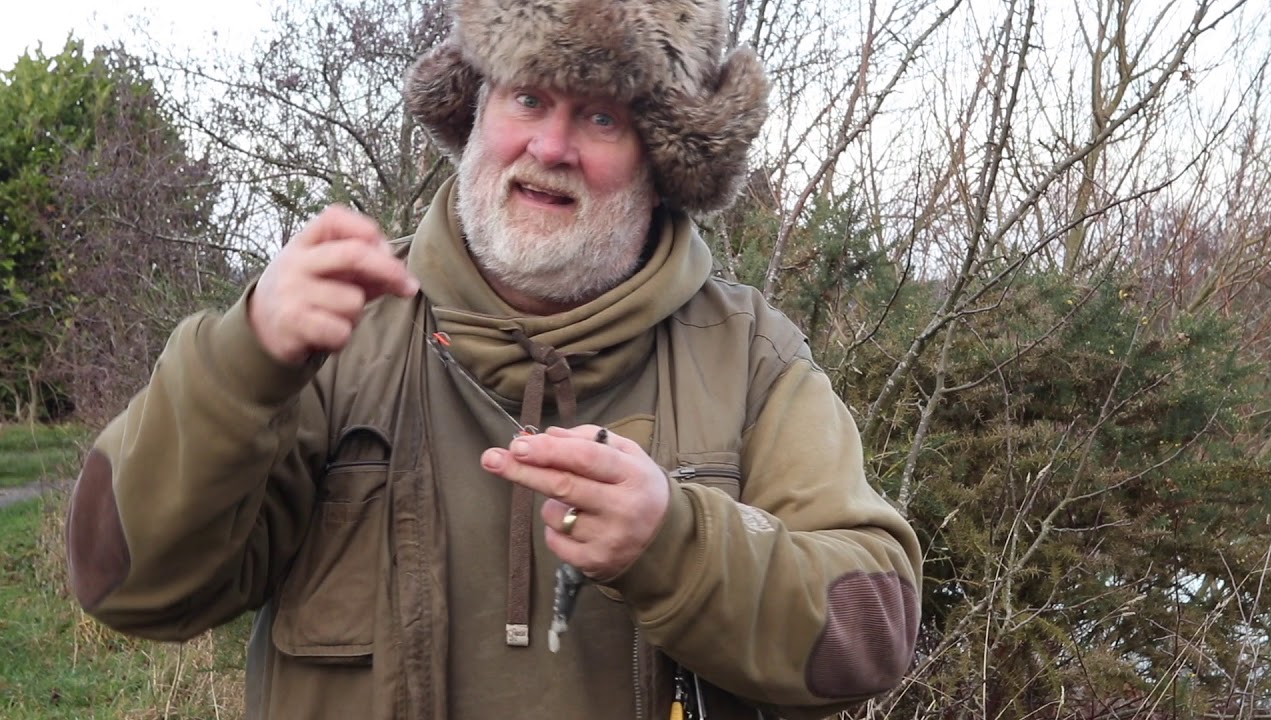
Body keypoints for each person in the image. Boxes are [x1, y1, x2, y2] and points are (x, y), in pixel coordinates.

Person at [65, 0, 924, 717]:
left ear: (661, 160)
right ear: (475, 109)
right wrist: (237, 363)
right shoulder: (332, 329)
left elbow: (873, 627)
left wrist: (678, 541)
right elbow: (126, 583)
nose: (550, 148)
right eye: (527, 97)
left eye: (599, 115)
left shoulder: (749, 356)